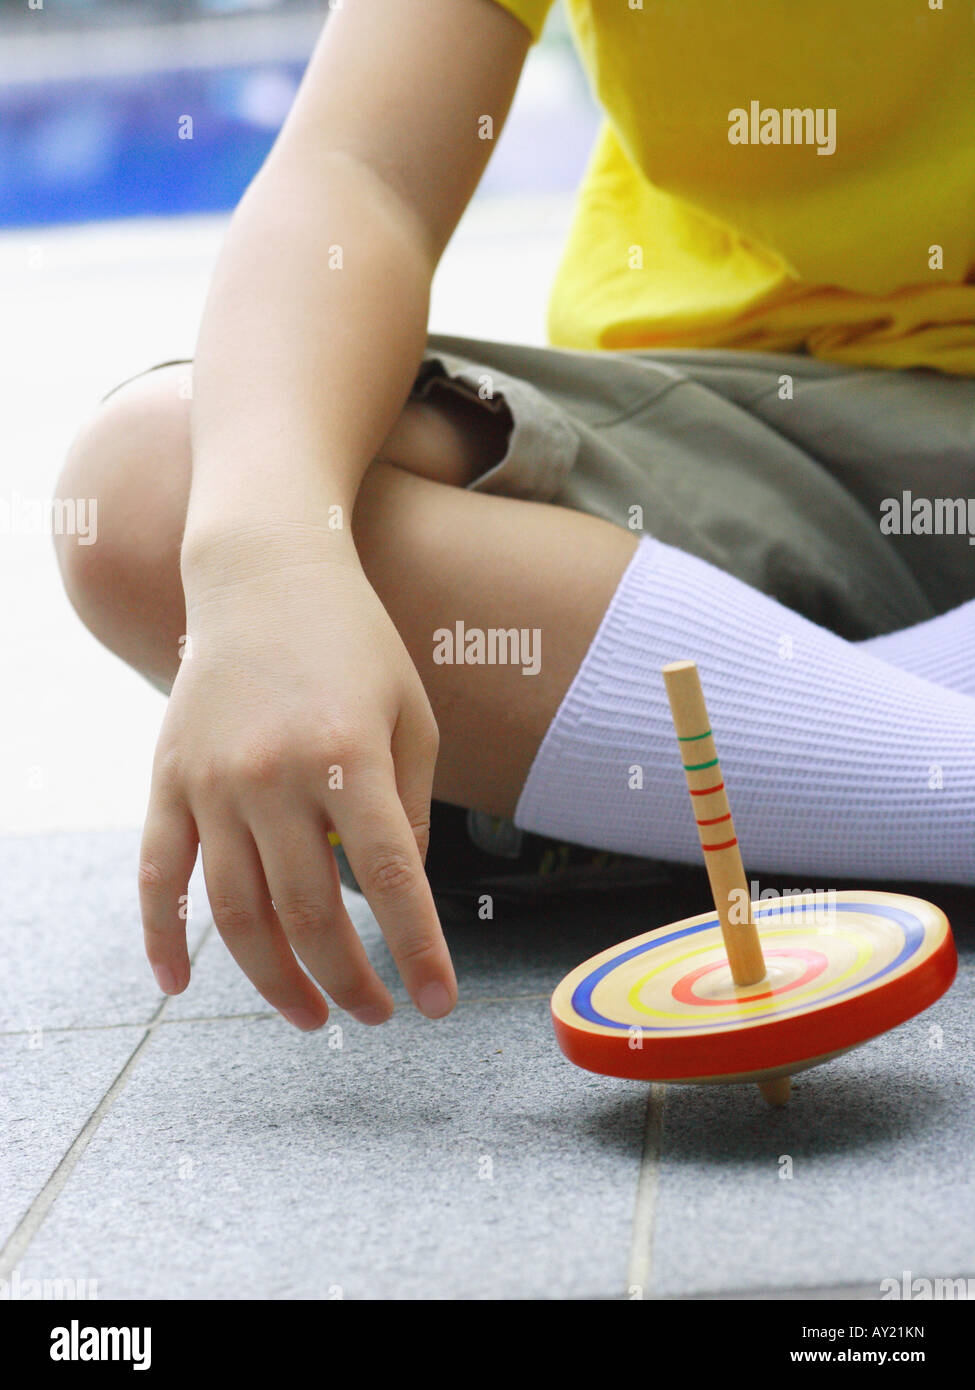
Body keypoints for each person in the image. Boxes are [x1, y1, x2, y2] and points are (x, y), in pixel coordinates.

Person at [52, 0, 975, 1036]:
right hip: (731, 451)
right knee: (152, 490)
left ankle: (839, 768)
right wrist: (263, 563)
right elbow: (358, 173)